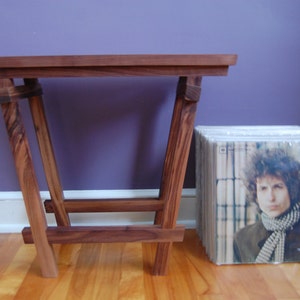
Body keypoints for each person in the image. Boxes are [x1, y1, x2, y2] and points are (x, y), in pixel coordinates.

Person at [233, 147, 300, 263]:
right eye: (263, 188)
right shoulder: (242, 238)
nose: (271, 197)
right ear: (256, 194)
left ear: (292, 190)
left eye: (278, 187)